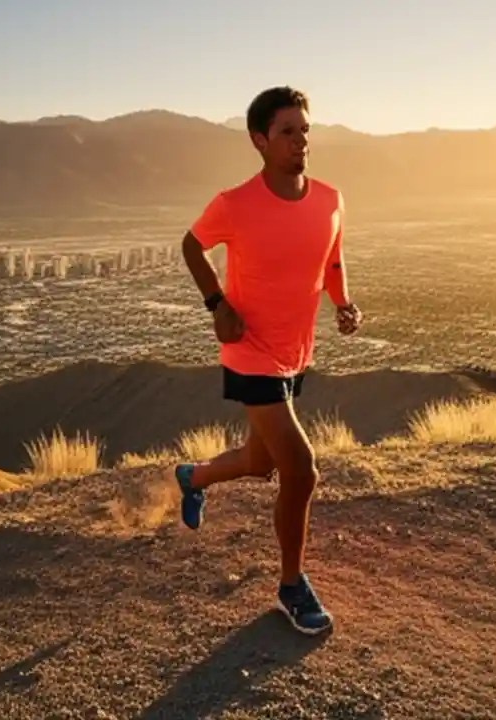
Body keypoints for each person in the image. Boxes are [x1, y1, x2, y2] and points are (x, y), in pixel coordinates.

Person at [175, 86, 363, 635]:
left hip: (293, 353)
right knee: (301, 470)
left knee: (262, 463)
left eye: (304, 130)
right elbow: (191, 245)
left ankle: (194, 477)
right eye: (287, 132)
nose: (300, 141)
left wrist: (344, 304)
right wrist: (217, 304)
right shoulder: (234, 203)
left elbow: (332, 259)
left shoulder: (330, 198)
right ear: (260, 140)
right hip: (249, 352)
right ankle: (290, 586)